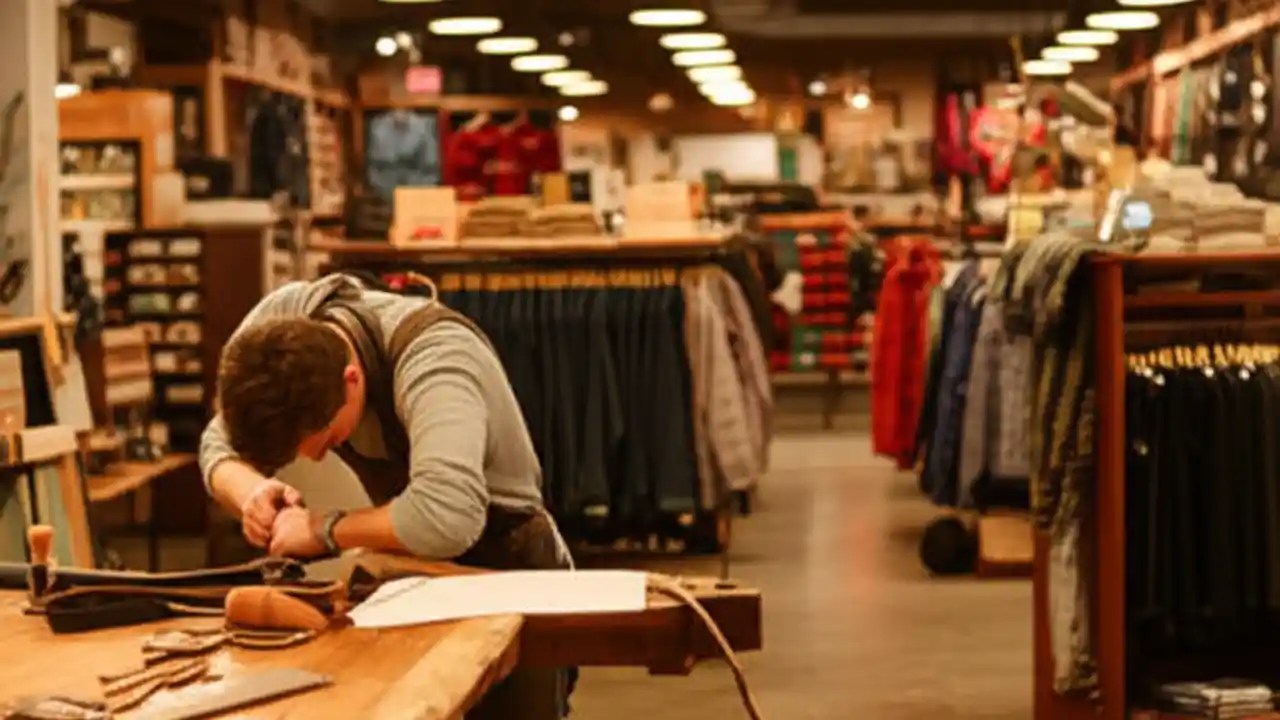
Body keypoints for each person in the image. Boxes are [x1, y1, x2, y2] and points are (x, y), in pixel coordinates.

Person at [199, 272, 570, 718]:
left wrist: (321, 531)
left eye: (327, 440)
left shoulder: (436, 358)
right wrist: (251, 492)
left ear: (351, 379)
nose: (314, 461)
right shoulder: (280, 326)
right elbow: (216, 443)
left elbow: (447, 517)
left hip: (507, 561)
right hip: (414, 567)